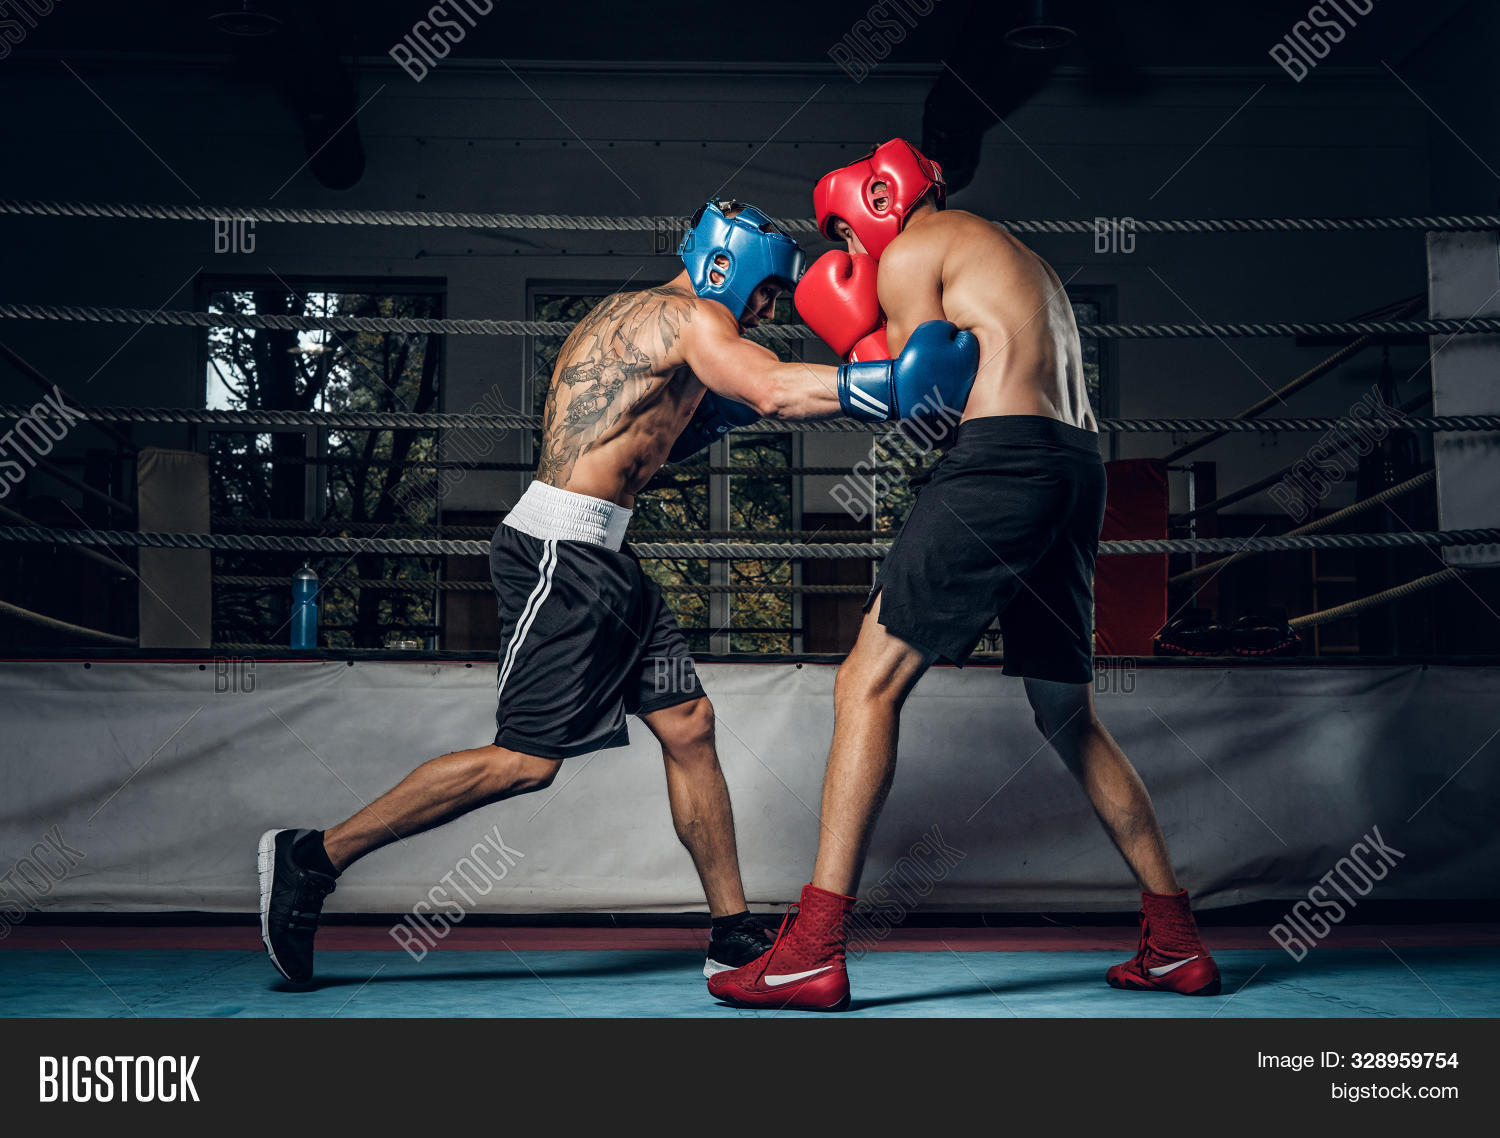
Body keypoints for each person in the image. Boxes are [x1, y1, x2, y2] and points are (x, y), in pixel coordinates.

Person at [259, 198, 980, 986]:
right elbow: (772, 391)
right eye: (766, 292)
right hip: (561, 553)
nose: (769, 310)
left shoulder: (633, 316)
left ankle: (732, 931)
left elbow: (632, 435)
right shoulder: (693, 320)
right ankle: (313, 857)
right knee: (526, 762)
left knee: (690, 724)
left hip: (606, 557)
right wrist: (887, 385)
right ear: (722, 266)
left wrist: (706, 417)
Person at [709, 140, 1220, 1012]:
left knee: (864, 686)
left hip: (1003, 463)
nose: (853, 256)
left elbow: (927, 405)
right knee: (1067, 713)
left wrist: (860, 347)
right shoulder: (1018, 260)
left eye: (845, 234)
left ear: (874, 202)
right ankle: (1174, 941)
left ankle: (811, 951)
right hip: (1076, 467)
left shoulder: (913, 251)